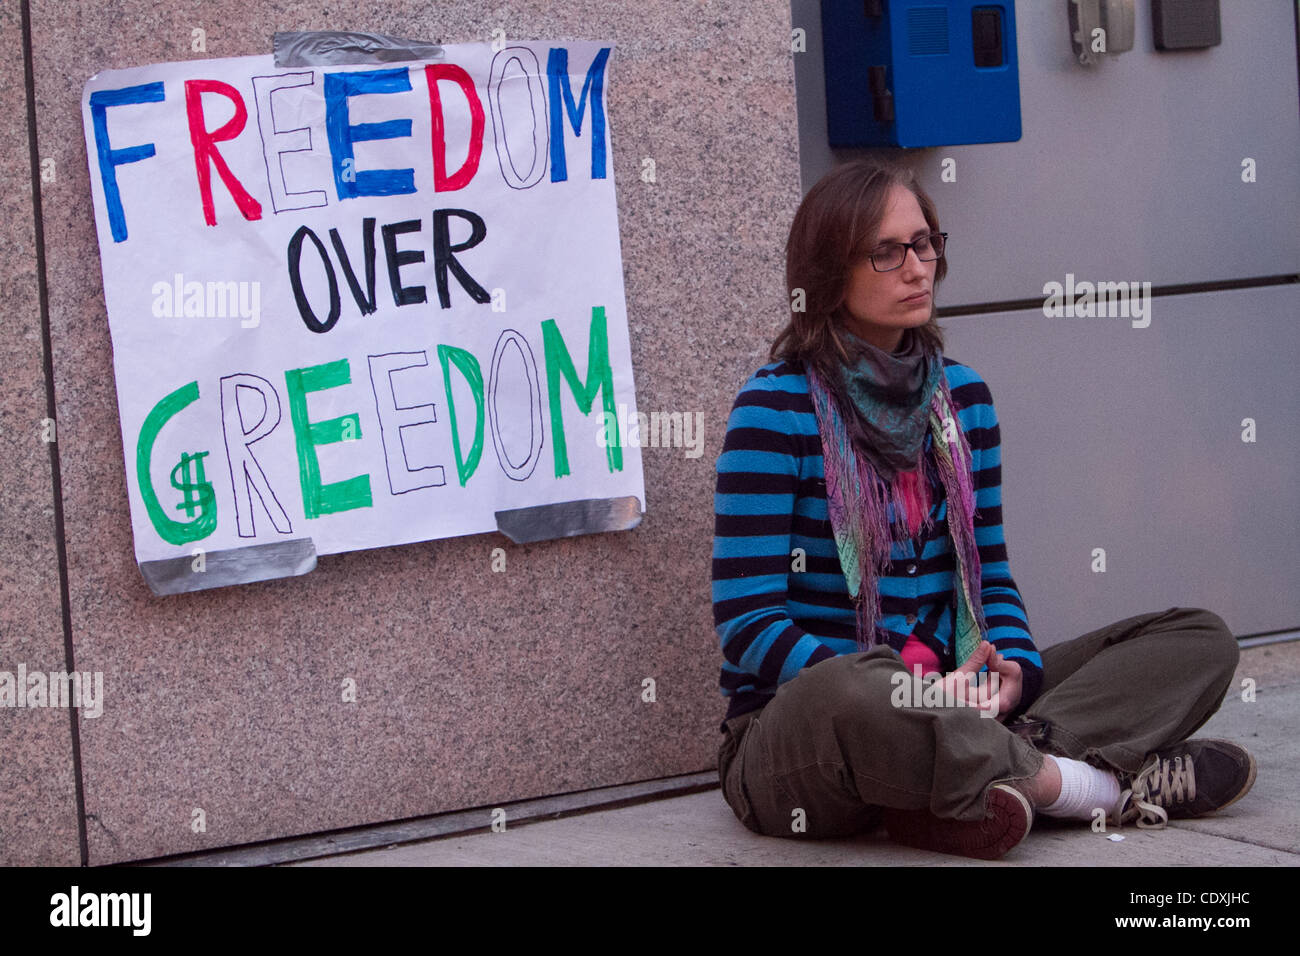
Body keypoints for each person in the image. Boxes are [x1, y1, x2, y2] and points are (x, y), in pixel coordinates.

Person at [711, 159, 1256, 859]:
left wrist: (1014, 677)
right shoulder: (775, 408)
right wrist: (913, 694)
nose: (917, 269)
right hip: (804, 733)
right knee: (853, 689)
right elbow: (748, 622)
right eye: (887, 251)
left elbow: (990, 576)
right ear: (825, 270)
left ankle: (981, 775)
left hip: (955, 687)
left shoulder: (964, 400)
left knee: (1197, 637)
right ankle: (1085, 786)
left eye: (926, 243)